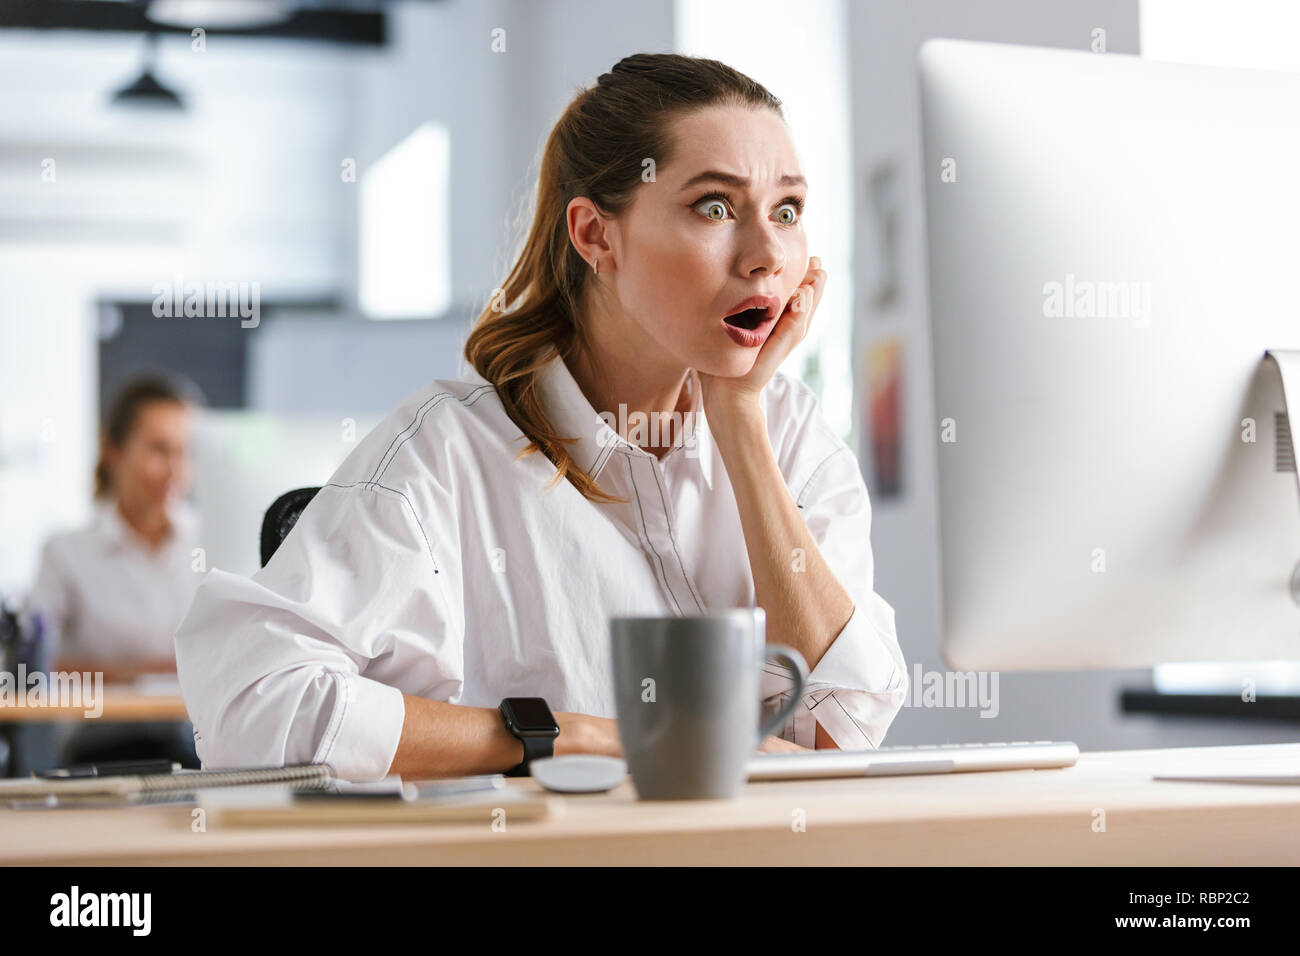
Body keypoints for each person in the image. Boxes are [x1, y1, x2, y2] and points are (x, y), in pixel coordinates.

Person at [174, 53, 908, 781]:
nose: (767, 255)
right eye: (714, 206)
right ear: (595, 236)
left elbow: (843, 732)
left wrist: (741, 424)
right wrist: (583, 739)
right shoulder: (447, 452)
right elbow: (253, 705)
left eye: (787, 210)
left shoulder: (789, 431)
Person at [29, 374, 204, 766]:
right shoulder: (66, 552)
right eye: (159, 449)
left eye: (185, 451)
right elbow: (37, 666)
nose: (175, 469)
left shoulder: (209, 544)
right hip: (99, 750)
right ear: (113, 451)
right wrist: (134, 675)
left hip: (197, 748)